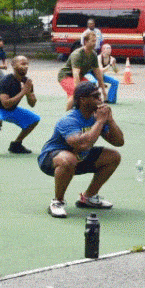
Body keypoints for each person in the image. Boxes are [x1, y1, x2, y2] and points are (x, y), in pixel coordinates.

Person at [38, 80, 124, 218]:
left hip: (79, 158)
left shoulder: (96, 117)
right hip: (51, 159)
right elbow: (82, 145)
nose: (100, 99)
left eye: (100, 95)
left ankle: (88, 197)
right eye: (95, 96)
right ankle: (57, 202)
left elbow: (119, 142)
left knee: (113, 157)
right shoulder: (69, 120)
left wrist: (110, 120)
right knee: (68, 160)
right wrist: (100, 122)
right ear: (83, 100)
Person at [0, 55, 39, 156]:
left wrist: (28, 93)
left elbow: (32, 104)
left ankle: (16, 145)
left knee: (34, 119)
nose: (25, 66)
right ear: (13, 65)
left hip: (11, 109)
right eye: (22, 64)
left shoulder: (27, 82)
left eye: (27, 64)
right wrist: (23, 91)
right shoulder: (6, 80)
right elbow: (6, 104)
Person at [57, 32, 102, 110]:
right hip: (66, 76)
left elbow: (97, 72)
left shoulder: (93, 54)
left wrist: (103, 89)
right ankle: (67, 116)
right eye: (93, 41)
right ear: (85, 42)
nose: (95, 43)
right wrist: (78, 90)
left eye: (95, 41)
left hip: (79, 77)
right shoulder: (77, 54)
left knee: (92, 90)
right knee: (75, 93)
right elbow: (76, 74)